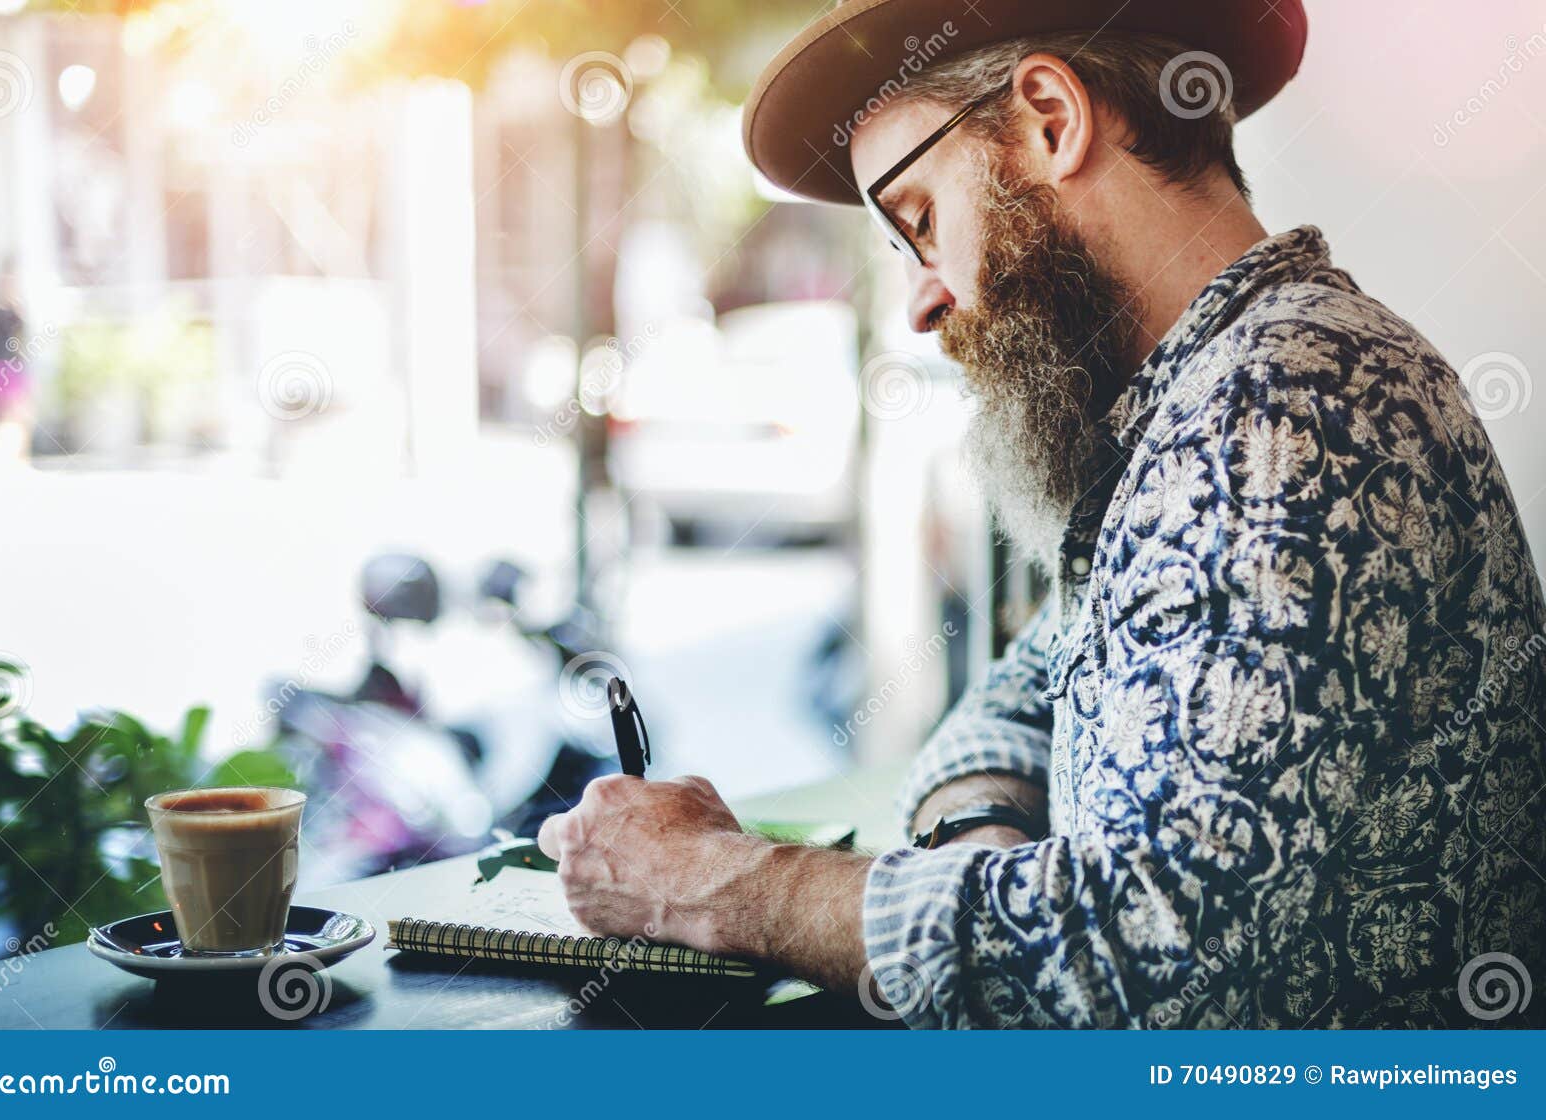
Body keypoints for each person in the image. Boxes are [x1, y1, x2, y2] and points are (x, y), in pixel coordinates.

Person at [538, 0, 1546, 1027]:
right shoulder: (1203, 405)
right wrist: (984, 842)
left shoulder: (1280, 410)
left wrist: (715, 882)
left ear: (1051, 118)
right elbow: (1022, 697)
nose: (919, 303)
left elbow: (1138, 963)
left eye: (919, 222)